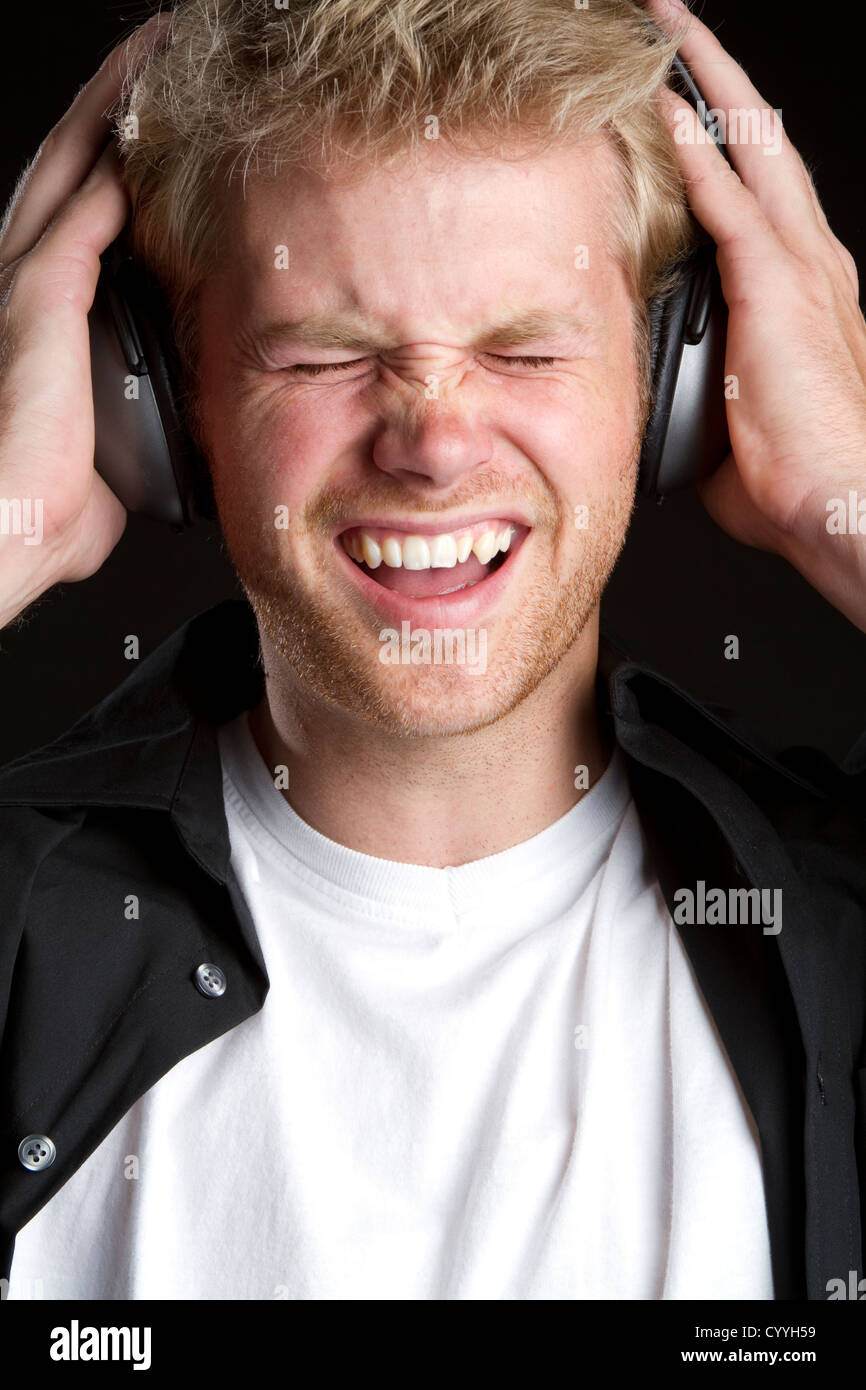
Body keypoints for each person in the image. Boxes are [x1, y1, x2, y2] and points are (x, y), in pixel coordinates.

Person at [0, 0, 864, 1301]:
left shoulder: (837, 927)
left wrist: (844, 495)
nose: (434, 443)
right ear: (159, 406)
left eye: (524, 347)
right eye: (325, 355)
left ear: (675, 391)